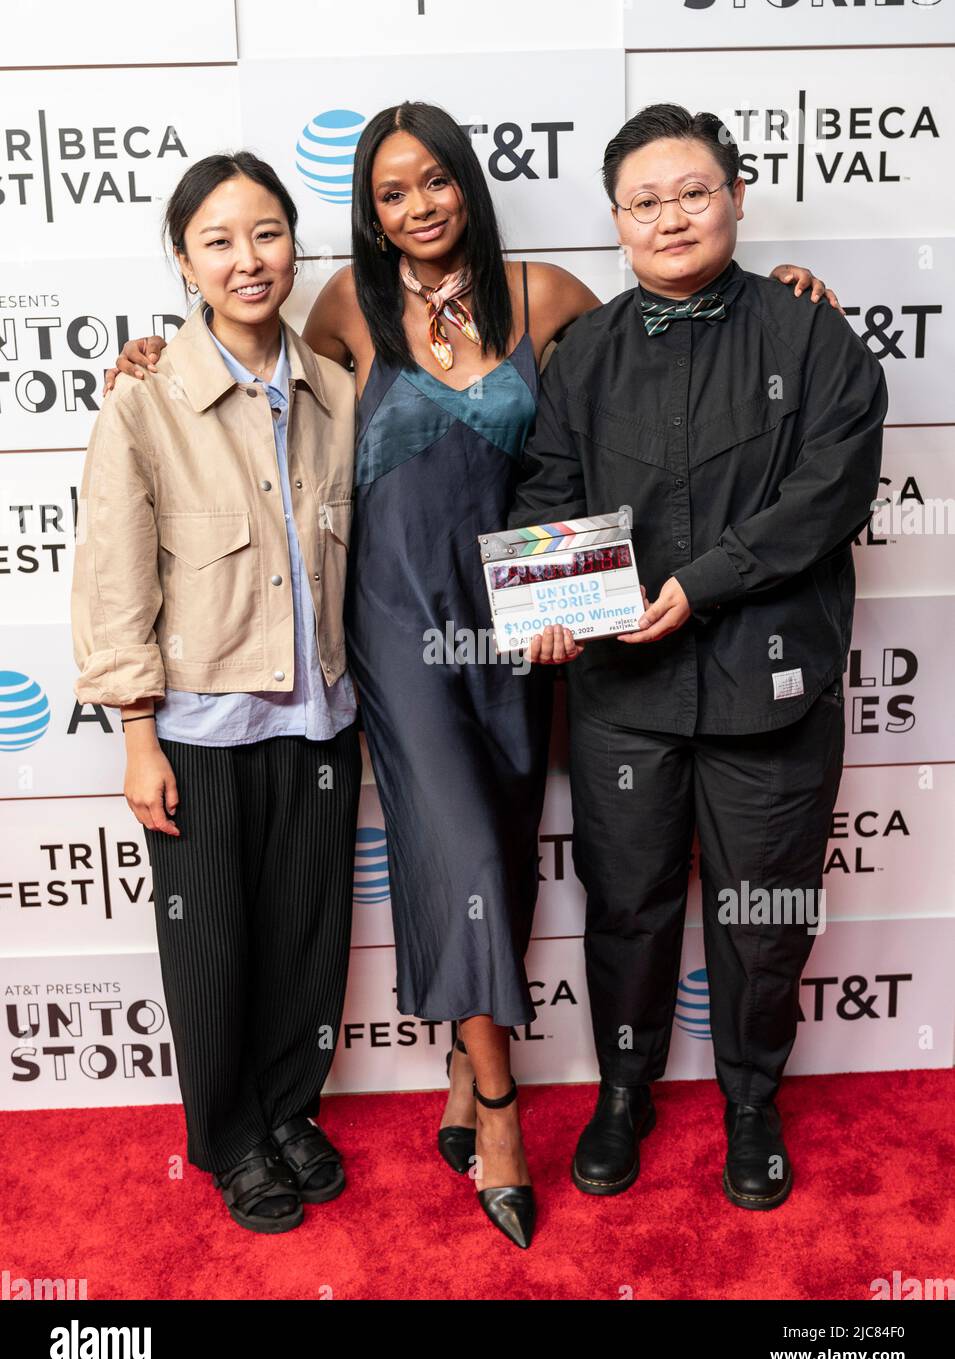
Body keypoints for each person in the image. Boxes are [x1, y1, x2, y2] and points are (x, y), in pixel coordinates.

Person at [104, 102, 840, 1248]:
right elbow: (243, 372)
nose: (417, 207)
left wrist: (778, 297)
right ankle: (498, 1111)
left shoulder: (545, 295)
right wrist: (152, 350)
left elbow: (665, 355)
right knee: (451, 846)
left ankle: (460, 1066)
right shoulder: (343, 307)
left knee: (498, 847)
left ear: (466, 186)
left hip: (527, 628)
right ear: (370, 208)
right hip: (397, 625)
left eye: (434, 182)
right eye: (392, 192)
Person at [511, 103, 888, 1212]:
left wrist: (700, 585)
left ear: (734, 195)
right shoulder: (583, 353)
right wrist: (547, 600)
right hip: (624, 693)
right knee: (625, 904)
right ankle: (622, 1092)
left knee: (762, 910)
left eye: (690, 192)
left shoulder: (810, 336)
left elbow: (829, 494)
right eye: (642, 201)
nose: (669, 216)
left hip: (769, 692)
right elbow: (546, 491)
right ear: (616, 221)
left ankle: (751, 1101)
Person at [71, 151, 361, 1234]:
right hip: (197, 725)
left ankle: (290, 1113)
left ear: (295, 242)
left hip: (321, 715)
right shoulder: (145, 398)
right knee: (211, 946)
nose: (250, 259)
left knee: (305, 937)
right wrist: (138, 735)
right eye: (220, 240)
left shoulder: (333, 389)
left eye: (269, 233)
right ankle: (230, 1139)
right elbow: (114, 578)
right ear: (185, 261)